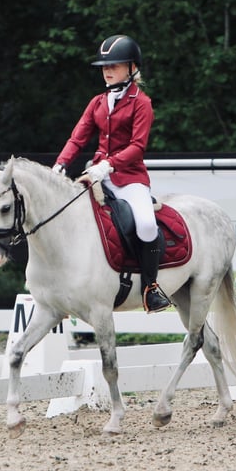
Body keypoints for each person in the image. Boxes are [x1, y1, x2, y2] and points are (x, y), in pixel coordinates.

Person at [52, 34, 171, 313]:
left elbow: (137, 147)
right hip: (95, 175)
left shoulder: (142, 103)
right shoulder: (97, 102)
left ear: (131, 68)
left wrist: (109, 165)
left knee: (146, 225)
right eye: (104, 66)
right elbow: (77, 138)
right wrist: (60, 164)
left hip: (129, 179)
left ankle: (151, 288)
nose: (107, 71)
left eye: (114, 66)